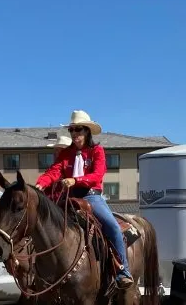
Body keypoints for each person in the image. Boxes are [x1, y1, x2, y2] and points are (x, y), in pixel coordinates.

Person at [36, 110, 133, 288]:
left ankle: (122, 270)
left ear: (87, 131)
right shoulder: (66, 154)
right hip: (69, 198)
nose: (74, 134)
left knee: (112, 227)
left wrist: (76, 180)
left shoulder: (97, 151)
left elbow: (97, 175)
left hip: (91, 197)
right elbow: (53, 172)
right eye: (72, 130)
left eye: (78, 130)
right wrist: (40, 184)